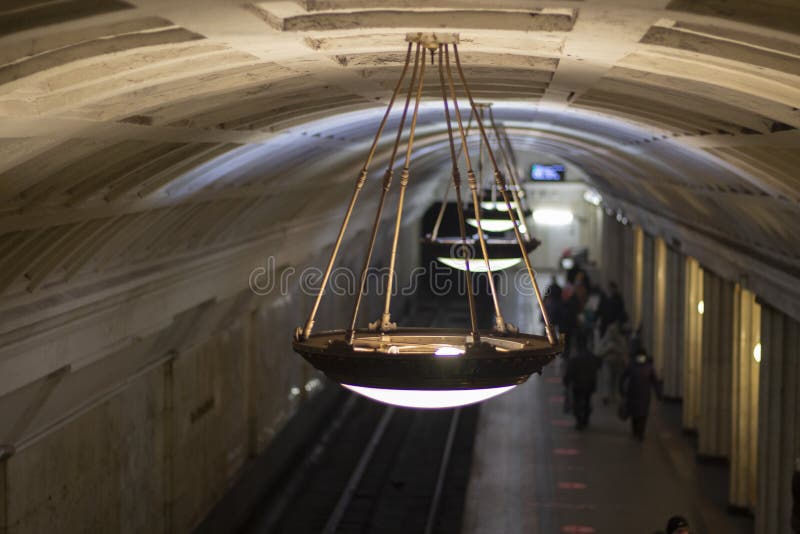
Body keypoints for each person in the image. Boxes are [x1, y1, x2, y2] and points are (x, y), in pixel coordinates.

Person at [620, 349, 661, 440]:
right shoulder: (649, 367)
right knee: (643, 414)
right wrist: (658, 393)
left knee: (635, 413)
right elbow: (655, 381)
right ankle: (640, 433)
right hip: (644, 394)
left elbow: (622, 377)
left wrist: (621, 390)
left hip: (633, 393)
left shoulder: (631, 365)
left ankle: (636, 432)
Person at [563, 331, 601, 430]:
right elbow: (598, 365)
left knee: (577, 402)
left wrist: (566, 382)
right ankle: (585, 418)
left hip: (577, 384)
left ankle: (579, 420)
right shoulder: (591, 356)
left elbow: (569, 372)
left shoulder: (574, 357)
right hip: (589, 383)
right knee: (587, 401)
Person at [596, 321, 627, 405]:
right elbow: (598, 352)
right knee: (607, 379)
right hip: (607, 362)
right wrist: (608, 349)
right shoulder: (605, 340)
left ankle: (615, 395)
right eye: (610, 331)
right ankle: (606, 396)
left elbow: (624, 351)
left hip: (618, 362)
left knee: (616, 380)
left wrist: (615, 349)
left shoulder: (621, 340)